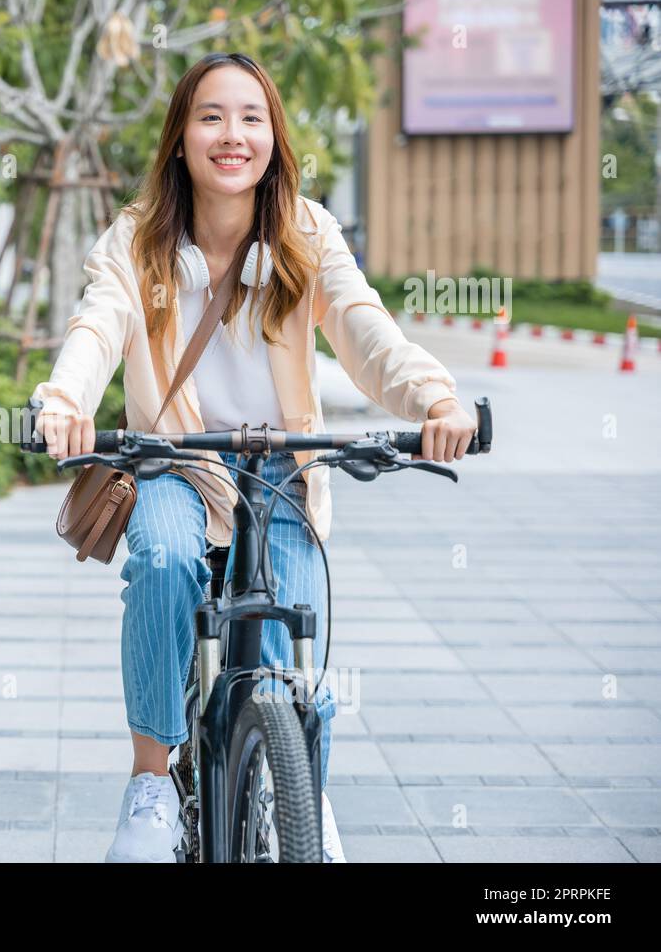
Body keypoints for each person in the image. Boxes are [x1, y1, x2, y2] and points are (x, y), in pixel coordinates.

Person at [31, 52, 477, 863]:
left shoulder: (306, 232)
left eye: (250, 117)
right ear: (179, 139)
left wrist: (435, 400)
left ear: (272, 137)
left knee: (297, 657)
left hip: (281, 472)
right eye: (210, 116)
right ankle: (150, 782)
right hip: (172, 463)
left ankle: (304, 789)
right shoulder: (137, 240)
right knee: (164, 560)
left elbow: (364, 328)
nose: (231, 135)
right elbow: (96, 329)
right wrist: (63, 403)